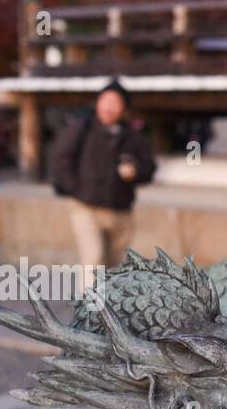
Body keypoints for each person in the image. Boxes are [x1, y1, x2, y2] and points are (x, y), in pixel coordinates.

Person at [50, 80, 156, 287]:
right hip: (86, 208)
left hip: (121, 212)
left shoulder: (133, 137)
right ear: (97, 103)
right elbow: (60, 159)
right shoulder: (82, 129)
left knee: (116, 269)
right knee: (94, 259)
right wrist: (77, 188)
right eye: (104, 101)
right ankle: (88, 315)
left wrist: (134, 172)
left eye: (115, 102)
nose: (108, 107)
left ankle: (109, 316)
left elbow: (150, 168)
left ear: (123, 108)